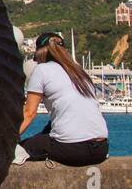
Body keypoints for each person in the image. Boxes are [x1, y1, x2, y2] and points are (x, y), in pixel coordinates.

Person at [18, 32, 108, 166]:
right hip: (100, 150)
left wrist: (6, 141)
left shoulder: (41, 70)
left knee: (21, 148)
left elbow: (29, 113)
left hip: (72, 150)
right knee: (47, 132)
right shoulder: (79, 72)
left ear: (41, 54)